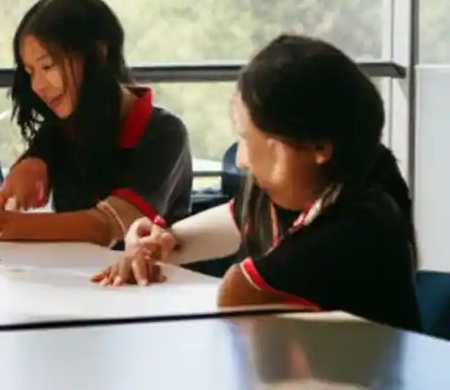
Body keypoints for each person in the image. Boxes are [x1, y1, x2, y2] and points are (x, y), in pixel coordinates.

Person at [93, 35, 420, 332]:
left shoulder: (364, 223)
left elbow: (239, 292)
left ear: (318, 148)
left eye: (250, 141)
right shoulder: (295, 190)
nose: (241, 161)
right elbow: (223, 224)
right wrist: (154, 245)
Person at [0, 0, 193, 244]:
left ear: (98, 52)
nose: (38, 86)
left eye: (48, 66)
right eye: (31, 72)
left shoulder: (164, 134)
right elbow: (35, 167)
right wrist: (28, 167)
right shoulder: (62, 128)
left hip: (151, 291)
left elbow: (109, 227)